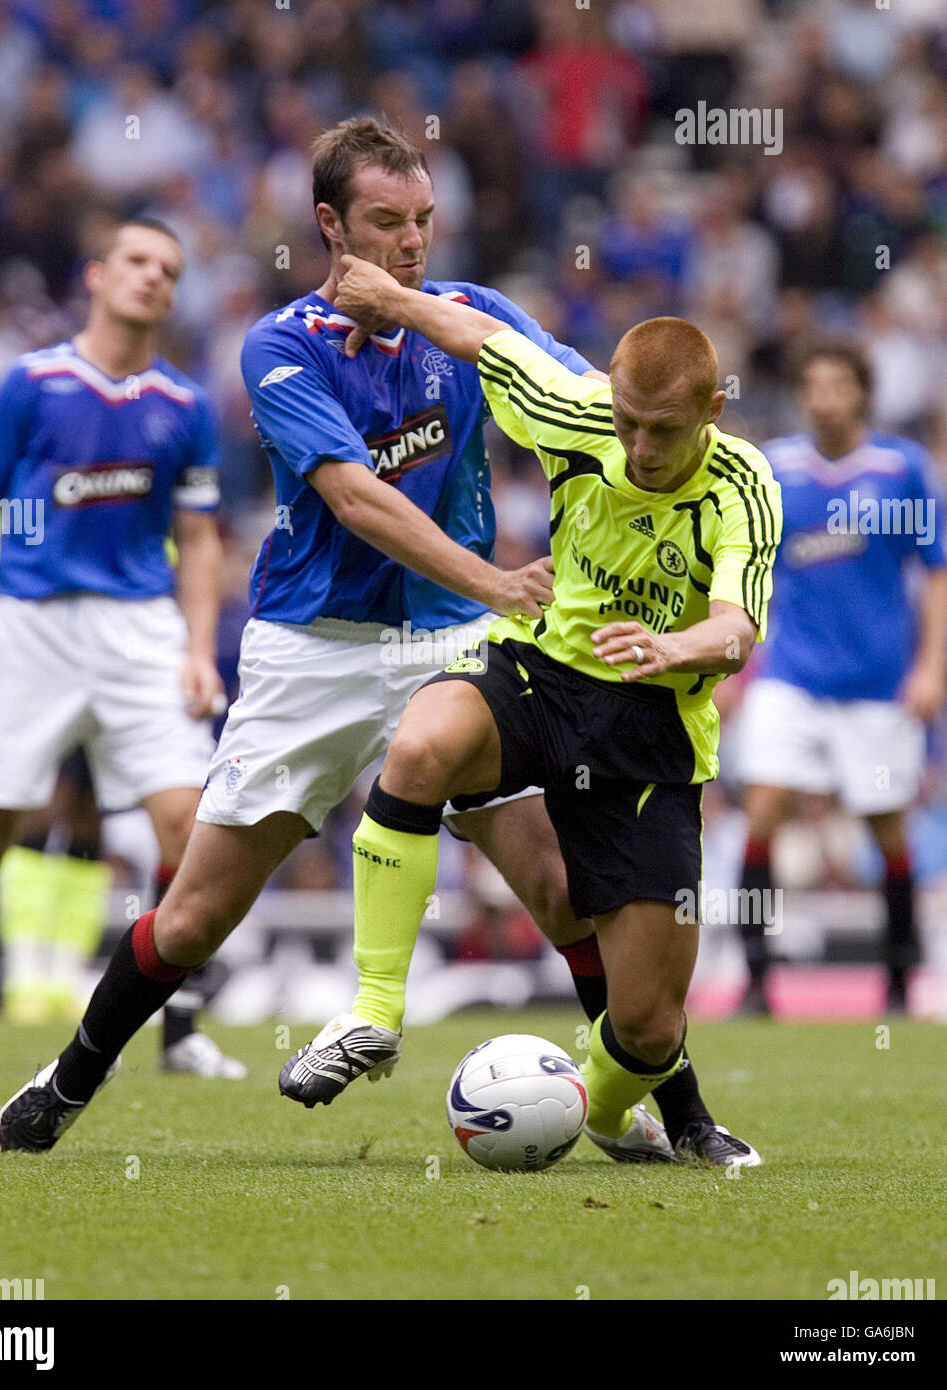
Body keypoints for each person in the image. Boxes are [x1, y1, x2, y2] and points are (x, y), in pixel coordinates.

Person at [0, 119, 755, 1167]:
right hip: (315, 648)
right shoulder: (280, 345)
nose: (411, 242)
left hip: (450, 643)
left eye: (425, 220)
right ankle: (66, 1082)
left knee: (563, 889)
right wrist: (495, 578)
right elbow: (356, 500)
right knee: (196, 914)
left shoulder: (468, 319)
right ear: (330, 224)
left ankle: (676, 1110)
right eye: (386, 223)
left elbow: (596, 403)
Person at [282, 253, 781, 1161]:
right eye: (628, 423)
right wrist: (393, 297)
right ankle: (375, 1010)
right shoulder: (577, 412)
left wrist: (674, 648)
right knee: (424, 742)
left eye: (662, 431)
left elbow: (738, 628)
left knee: (649, 1028)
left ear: (712, 413)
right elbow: (486, 338)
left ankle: (596, 1106)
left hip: (651, 728)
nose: (638, 448)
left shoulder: (744, 481)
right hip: (544, 678)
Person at [0, 218, 245, 1080]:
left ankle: (183, 1027)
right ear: (95, 275)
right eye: (136, 260)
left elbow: (199, 540)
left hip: (140, 630)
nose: (152, 277)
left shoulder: (184, 405)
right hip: (34, 624)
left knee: (189, 824)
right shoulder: (32, 385)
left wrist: (201, 646)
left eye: (168, 268)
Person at [733, 340, 947, 1015]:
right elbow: (747, 566)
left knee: (886, 829)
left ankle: (896, 984)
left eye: (839, 385)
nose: (826, 397)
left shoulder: (900, 469)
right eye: (814, 385)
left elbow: (940, 570)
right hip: (792, 676)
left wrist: (932, 665)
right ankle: (756, 979)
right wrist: (737, 660)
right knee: (764, 812)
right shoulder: (775, 467)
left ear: (863, 392)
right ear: (801, 394)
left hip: (878, 682)